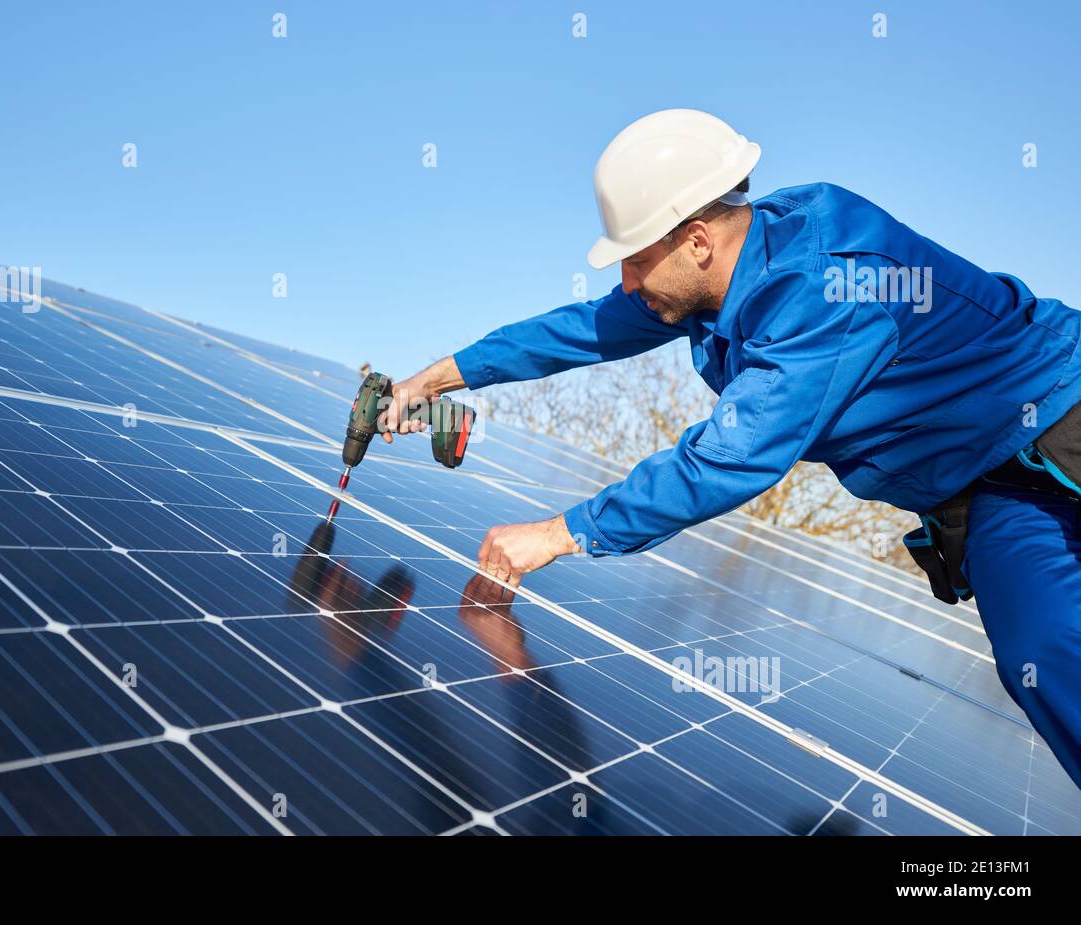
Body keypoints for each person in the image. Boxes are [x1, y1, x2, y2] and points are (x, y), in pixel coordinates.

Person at [378, 109, 1081, 788]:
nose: (625, 283)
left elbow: (730, 457)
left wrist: (561, 533)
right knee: (1043, 652)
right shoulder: (711, 284)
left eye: (634, 261)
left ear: (695, 241)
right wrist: (433, 377)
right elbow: (576, 330)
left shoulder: (828, 284)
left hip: (1066, 413)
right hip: (999, 488)